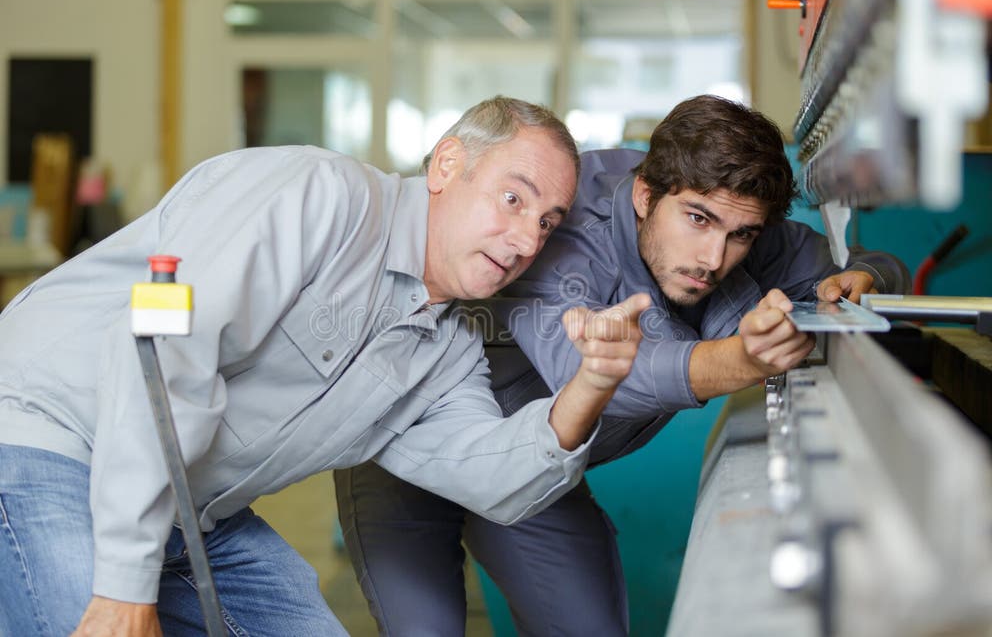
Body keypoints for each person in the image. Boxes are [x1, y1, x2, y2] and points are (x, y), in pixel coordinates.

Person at [0, 96, 652, 637]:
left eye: (547, 222)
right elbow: (168, 357)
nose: (525, 242)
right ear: (448, 163)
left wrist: (591, 382)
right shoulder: (318, 199)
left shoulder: (446, 352)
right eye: (514, 200)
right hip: (45, 438)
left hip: (185, 510)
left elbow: (495, 476)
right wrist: (122, 583)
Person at [335, 94, 911, 636]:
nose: (713, 259)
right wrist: (737, 361)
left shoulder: (737, 216)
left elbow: (865, 266)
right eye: (697, 220)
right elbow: (586, 373)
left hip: (534, 467)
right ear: (643, 196)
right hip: (405, 449)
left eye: (740, 235)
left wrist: (867, 280)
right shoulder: (562, 223)